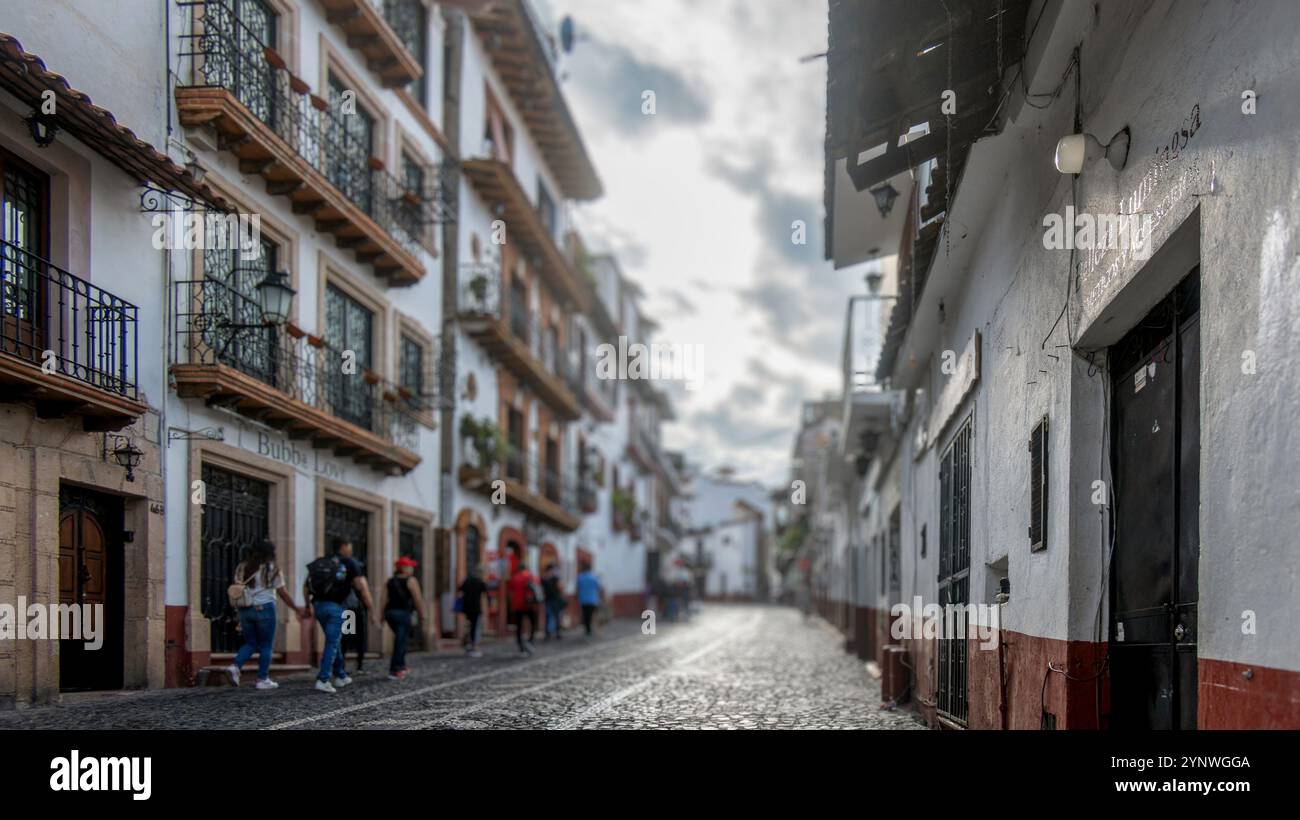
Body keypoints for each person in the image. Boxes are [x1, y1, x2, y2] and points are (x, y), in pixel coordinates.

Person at [226, 539, 304, 689]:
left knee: (250, 643)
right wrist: (295, 608)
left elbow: (237, 589)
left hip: (245, 609)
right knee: (266, 645)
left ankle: (234, 666)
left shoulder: (242, 567)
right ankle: (262, 679)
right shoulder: (272, 569)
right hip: (265, 609)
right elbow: (282, 593)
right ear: (270, 553)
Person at [304, 539, 377, 694]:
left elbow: (306, 586)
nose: (351, 550)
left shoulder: (322, 562)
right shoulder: (349, 563)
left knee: (335, 641)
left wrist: (306, 606)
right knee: (332, 642)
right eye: (349, 547)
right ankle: (323, 679)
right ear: (343, 547)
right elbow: (361, 587)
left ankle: (340, 675)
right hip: (336, 608)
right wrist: (371, 610)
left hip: (318, 606)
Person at [382, 556, 426, 681]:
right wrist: (422, 614)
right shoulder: (411, 580)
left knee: (400, 639)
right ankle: (395, 669)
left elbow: (383, 599)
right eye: (410, 566)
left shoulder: (390, 581)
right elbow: (417, 599)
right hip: (403, 614)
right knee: (400, 641)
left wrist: (379, 615)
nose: (412, 569)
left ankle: (401, 665)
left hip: (390, 614)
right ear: (404, 568)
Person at [340, 548, 370, 675]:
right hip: (355, 608)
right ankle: (359, 665)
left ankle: (342, 665)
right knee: (359, 636)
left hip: (345, 607)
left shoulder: (340, 569)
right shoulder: (356, 572)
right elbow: (362, 590)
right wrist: (371, 608)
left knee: (346, 637)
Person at [507, 561, 538, 655]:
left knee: (519, 626)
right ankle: (530, 640)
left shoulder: (514, 577)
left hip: (517, 605)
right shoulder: (530, 576)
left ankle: (521, 646)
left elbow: (510, 591)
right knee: (533, 623)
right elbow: (536, 587)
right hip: (529, 604)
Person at [458, 565, 487, 657]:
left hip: (467, 608)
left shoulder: (467, 581)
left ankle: (468, 644)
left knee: (469, 626)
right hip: (476, 608)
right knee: (475, 627)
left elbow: (460, 590)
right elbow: (486, 593)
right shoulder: (480, 582)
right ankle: (474, 646)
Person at [575, 562, 602, 638]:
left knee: (585, 614)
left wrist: (577, 597)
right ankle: (589, 628)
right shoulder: (594, 577)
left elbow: (577, 589)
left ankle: (587, 628)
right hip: (592, 599)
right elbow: (599, 588)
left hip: (583, 599)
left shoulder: (580, 577)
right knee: (591, 614)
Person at [541, 563, 565, 641]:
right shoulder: (555, 578)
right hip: (555, 599)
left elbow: (542, 590)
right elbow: (560, 588)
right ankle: (557, 633)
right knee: (556, 616)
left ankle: (548, 634)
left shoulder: (544, 579)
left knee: (548, 617)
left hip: (548, 600)